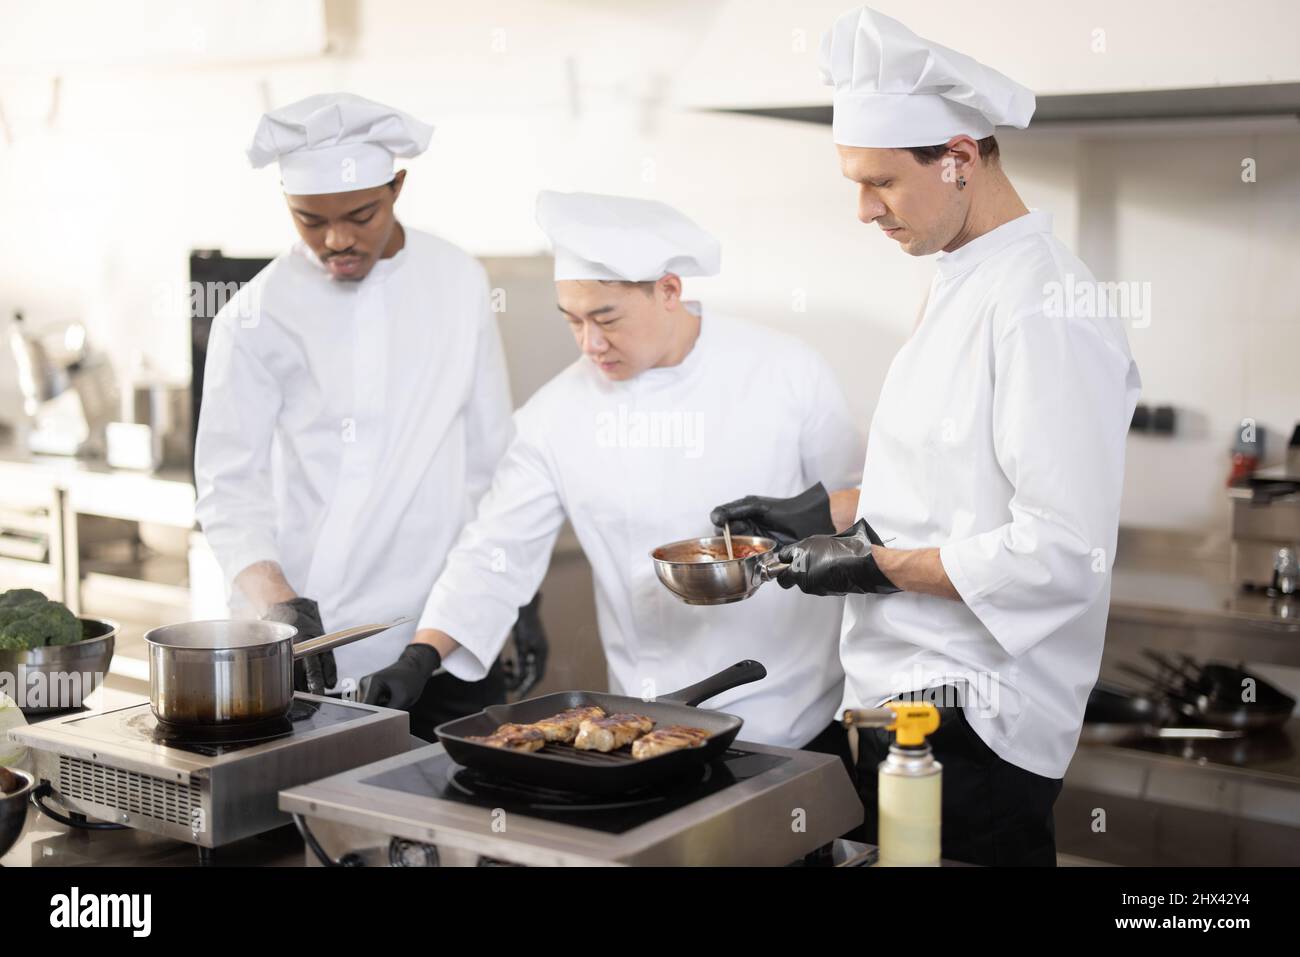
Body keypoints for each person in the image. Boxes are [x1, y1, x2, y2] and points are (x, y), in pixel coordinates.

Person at [712, 7, 1141, 865]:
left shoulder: (1044, 305)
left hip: (975, 720)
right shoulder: (963, 275)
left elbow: (1060, 551)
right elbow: (946, 489)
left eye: (881, 183)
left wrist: (872, 565)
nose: (865, 211)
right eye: (854, 184)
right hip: (899, 702)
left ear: (958, 159)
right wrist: (814, 512)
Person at [362, 191, 865, 758]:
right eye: (573, 321)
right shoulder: (554, 417)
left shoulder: (787, 371)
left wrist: (811, 522)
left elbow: (866, 517)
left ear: (669, 291)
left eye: (606, 318)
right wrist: (421, 657)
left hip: (802, 715)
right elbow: (492, 554)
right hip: (655, 724)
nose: (589, 343)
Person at [195, 93, 515, 735]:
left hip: (441, 638)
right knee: (304, 826)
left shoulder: (458, 280)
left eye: (360, 214)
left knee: (460, 815)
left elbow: (493, 460)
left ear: (397, 187)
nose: (336, 239)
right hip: (311, 650)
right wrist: (277, 602)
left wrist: (506, 596)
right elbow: (229, 490)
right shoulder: (254, 316)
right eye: (309, 220)